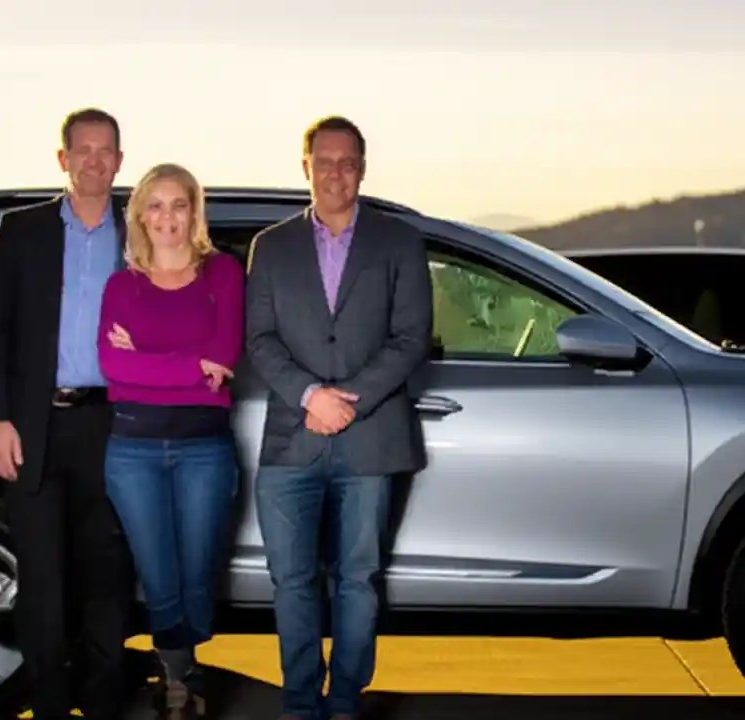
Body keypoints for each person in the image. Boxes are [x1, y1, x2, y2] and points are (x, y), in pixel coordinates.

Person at [245, 115, 433, 720]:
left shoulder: (398, 242)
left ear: (362, 168)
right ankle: (301, 704)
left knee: (358, 580)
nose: (335, 173)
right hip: (291, 439)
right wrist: (309, 396)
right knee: (291, 582)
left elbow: (410, 338)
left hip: (370, 438)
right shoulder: (270, 247)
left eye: (347, 162)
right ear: (305, 167)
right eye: (323, 162)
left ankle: (346, 700)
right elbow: (259, 340)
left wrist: (347, 399)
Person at [0, 107, 133, 719]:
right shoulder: (23, 229)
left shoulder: (140, 230)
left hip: (115, 427)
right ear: (62, 158)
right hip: (35, 427)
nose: (95, 160)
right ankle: (48, 706)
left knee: (106, 576)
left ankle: (102, 704)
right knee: (42, 579)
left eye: (106, 150)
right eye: (83, 150)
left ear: (120, 161)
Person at [97, 162, 244, 718]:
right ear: (139, 216)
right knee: (157, 573)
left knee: (198, 569)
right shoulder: (122, 285)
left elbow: (225, 353)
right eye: (154, 206)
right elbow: (112, 366)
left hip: (205, 448)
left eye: (178, 205)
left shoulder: (224, 274)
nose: (167, 218)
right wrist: (190, 367)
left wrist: (148, 363)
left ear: (193, 212)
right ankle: (180, 675)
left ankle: (183, 659)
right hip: (132, 450)